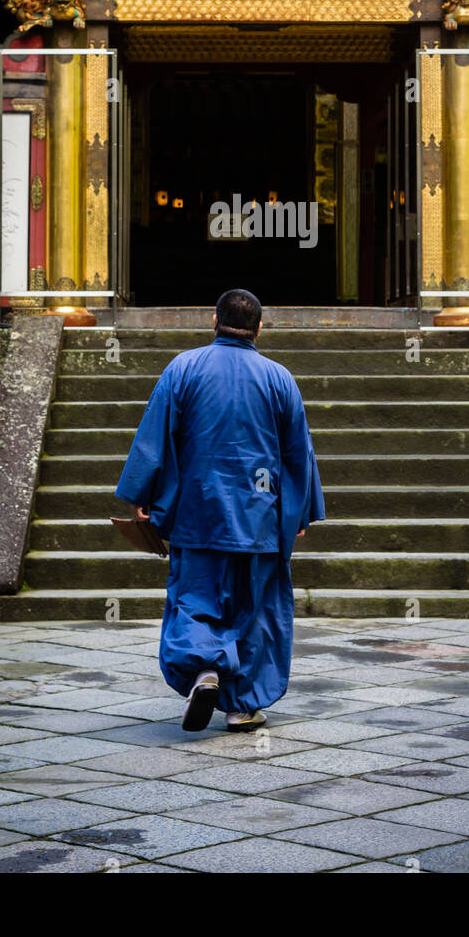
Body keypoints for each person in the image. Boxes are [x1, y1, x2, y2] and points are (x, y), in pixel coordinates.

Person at [114, 287, 325, 732]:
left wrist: (139, 496)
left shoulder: (183, 369)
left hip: (197, 511)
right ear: (259, 328)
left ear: (214, 321)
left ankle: (204, 669)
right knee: (257, 608)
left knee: (195, 599)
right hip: (259, 517)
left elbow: (155, 438)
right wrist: (300, 513)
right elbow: (297, 454)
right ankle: (242, 705)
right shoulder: (279, 378)